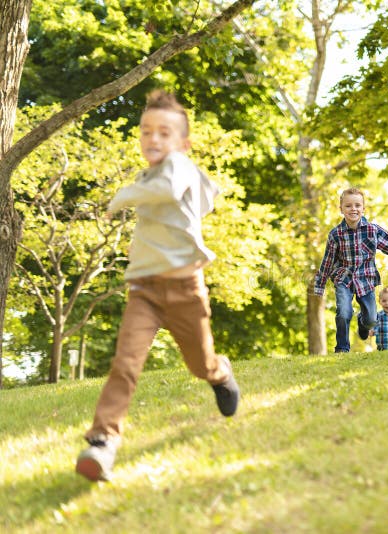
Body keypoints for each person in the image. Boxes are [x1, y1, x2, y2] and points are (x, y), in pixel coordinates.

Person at [75, 90, 240, 482]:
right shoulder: (144, 177)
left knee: (199, 364)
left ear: (183, 143)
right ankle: (102, 441)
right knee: (126, 363)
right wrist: (132, 191)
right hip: (144, 290)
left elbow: (167, 191)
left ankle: (220, 372)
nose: (153, 139)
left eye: (164, 133)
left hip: (185, 288)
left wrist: (121, 197)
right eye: (147, 131)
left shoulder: (179, 166)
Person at [313, 188, 388, 353]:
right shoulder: (335, 234)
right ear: (341, 209)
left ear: (363, 208)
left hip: (366, 279)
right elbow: (327, 261)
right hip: (344, 279)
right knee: (343, 312)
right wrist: (319, 285)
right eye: (348, 206)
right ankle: (342, 348)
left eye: (357, 205)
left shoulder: (372, 230)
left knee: (371, 320)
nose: (353, 209)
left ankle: (362, 322)